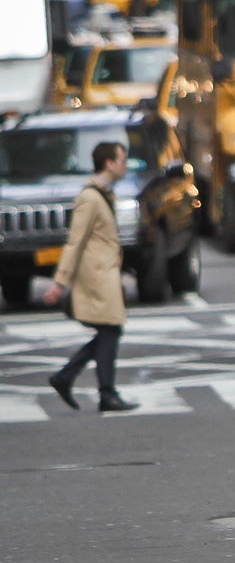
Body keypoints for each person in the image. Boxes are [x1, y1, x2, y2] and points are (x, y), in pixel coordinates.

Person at [42, 141, 139, 413]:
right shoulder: (90, 197)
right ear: (108, 163)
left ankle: (71, 378)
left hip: (104, 273)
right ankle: (100, 391)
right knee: (110, 329)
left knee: (110, 330)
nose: (124, 164)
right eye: (122, 159)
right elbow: (75, 241)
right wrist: (60, 283)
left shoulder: (103, 193)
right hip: (96, 276)